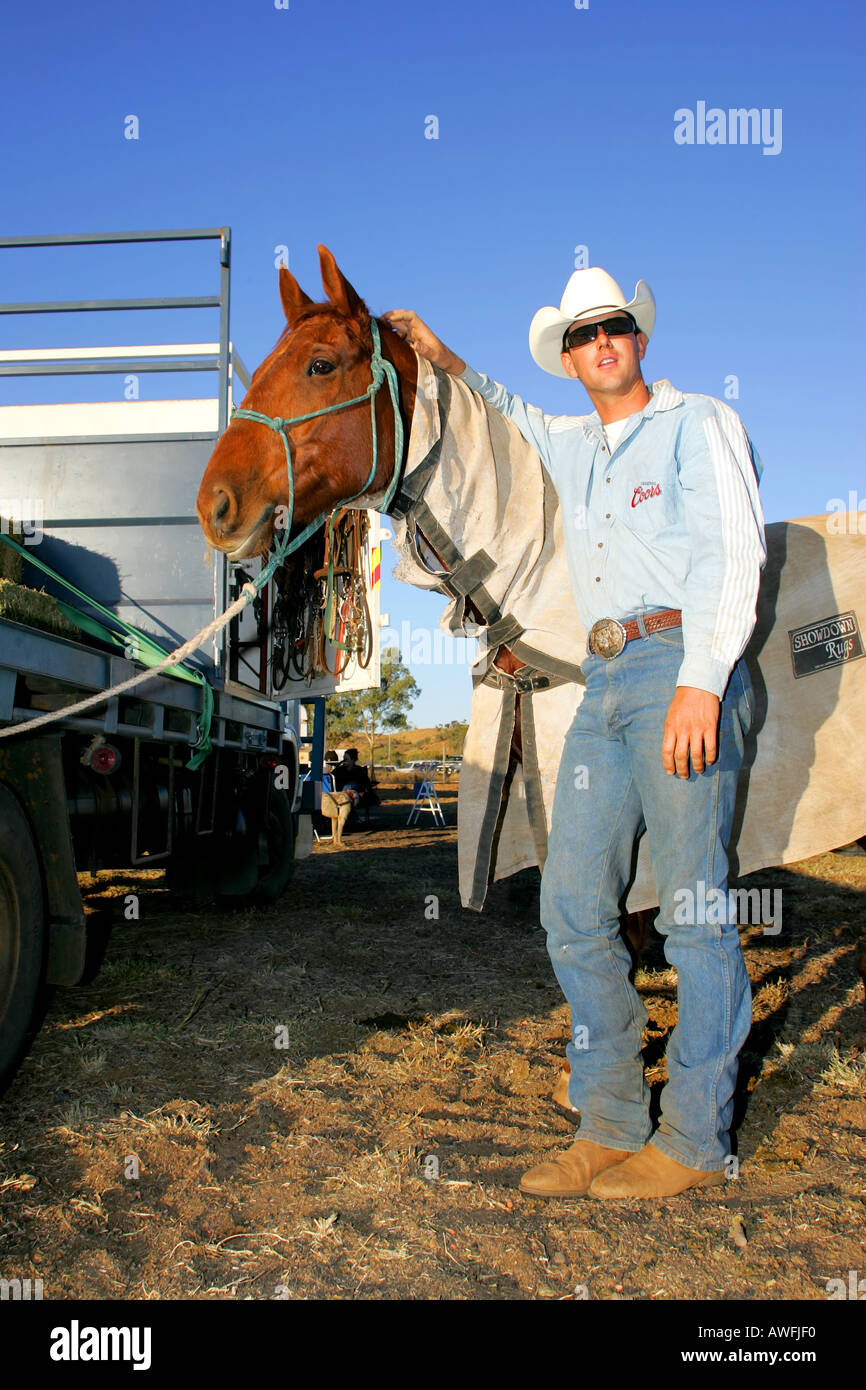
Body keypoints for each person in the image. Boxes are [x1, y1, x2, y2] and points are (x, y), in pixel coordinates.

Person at [383, 265, 766, 1199]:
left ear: (638, 337)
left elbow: (733, 551)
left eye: (616, 326)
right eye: (584, 332)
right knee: (571, 907)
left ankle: (694, 1139)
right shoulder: (570, 443)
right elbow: (504, 407)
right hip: (600, 684)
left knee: (694, 911)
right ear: (568, 355)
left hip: (680, 665)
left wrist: (703, 683)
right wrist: (439, 354)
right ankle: (608, 1119)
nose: (602, 342)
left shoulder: (699, 424)